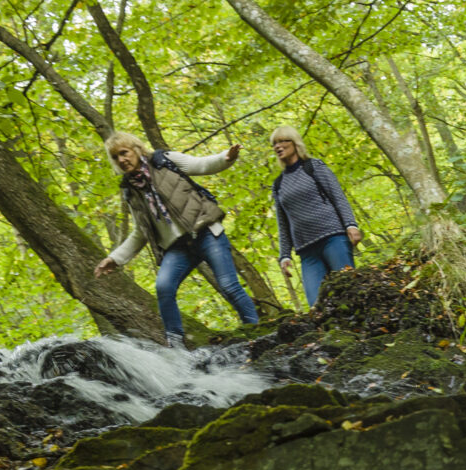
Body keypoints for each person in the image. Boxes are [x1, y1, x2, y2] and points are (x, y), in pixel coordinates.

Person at [93, 133, 258, 349]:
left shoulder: (165, 161)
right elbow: (140, 233)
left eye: (124, 152)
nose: (121, 159)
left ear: (136, 149)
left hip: (205, 232)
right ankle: (176, 346)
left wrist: (226, 157)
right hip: (178, 248)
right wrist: (114, 258)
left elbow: (201, 165)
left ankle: (255, 331)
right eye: (115, 157)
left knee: (229, 285)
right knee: (163, 286)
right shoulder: (131, 192)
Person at [269, 125, 362, 307]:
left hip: (333, 238)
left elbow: (337, 196)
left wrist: (351, 224)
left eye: (282, 141)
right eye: (274, 144)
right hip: (306, 250)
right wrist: (284, 255)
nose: (278, 146)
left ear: (294, 143)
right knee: (316, 304)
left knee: (348, 289)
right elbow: (283, 222)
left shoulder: (313, 167)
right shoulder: (278, 184)